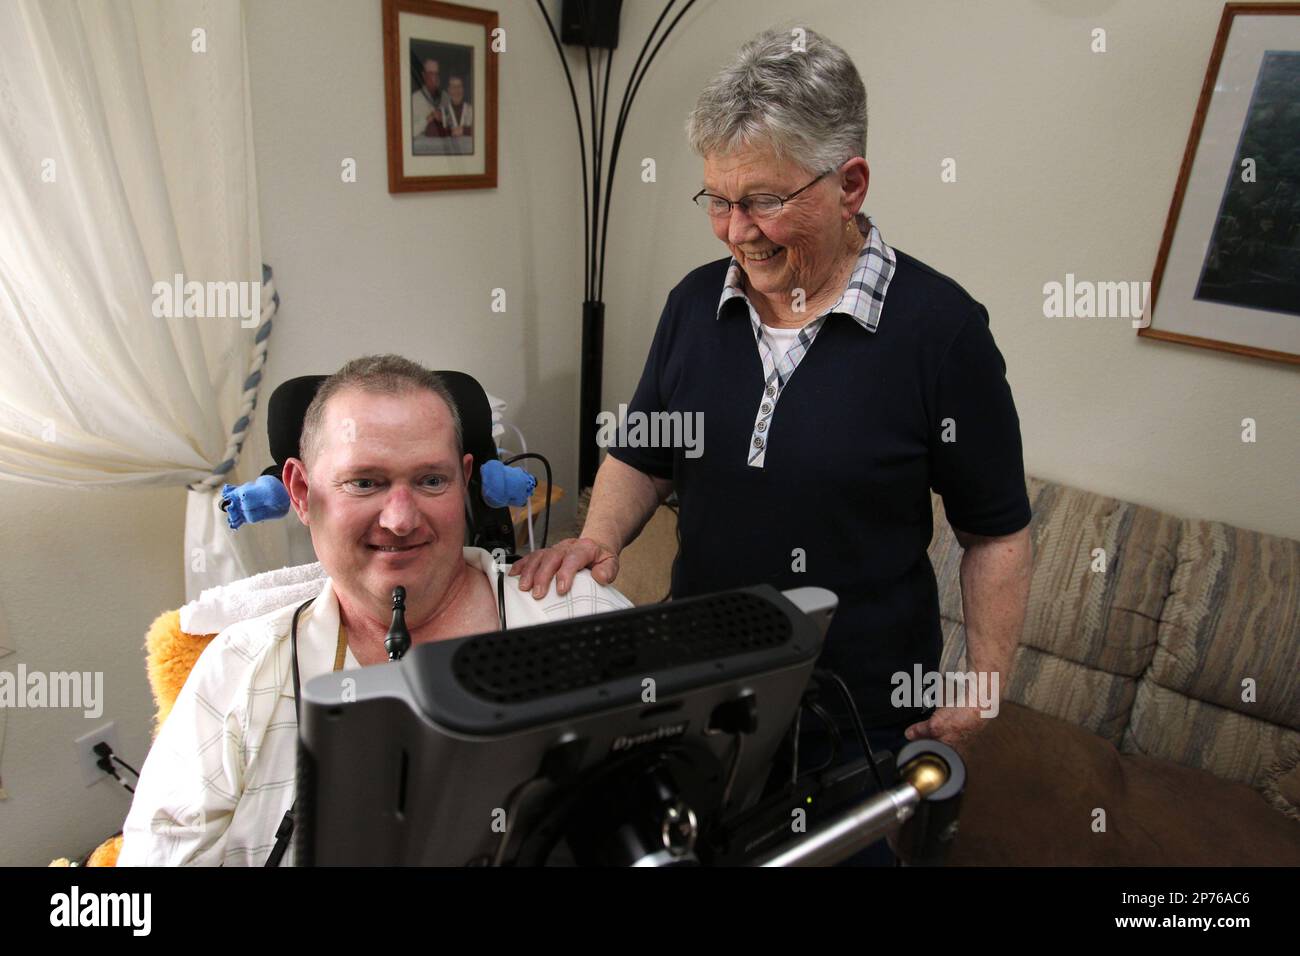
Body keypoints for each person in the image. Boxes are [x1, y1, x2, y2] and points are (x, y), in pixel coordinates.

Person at [510, 29, 1034, 861]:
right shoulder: (693, 306)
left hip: (856, 714)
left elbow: (996, 531)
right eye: (716, 199)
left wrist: (984, 680)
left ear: (849, 184)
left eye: (762, 200)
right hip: (696, 693)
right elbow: (644, 452)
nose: (734, 230)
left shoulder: (942, 333)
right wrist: (599, 538)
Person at [118, 355, 631, 865]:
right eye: (364, 482)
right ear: (301, 492)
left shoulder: (577, 614)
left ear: (465, 479)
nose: (401, 520)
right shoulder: (238, 669)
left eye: (432, 480)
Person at [412, 58, 450, 139]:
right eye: (431, 73)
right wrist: (429, 118)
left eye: (437, 74)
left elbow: (454, 126)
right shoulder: (414, 99)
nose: (434, 77)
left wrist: (444, 120)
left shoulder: (446, 97)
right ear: (424, 75)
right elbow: (410, 132)